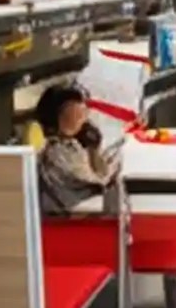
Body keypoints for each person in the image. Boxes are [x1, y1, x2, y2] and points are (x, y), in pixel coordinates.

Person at [33, 85, 119, 215]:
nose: (83, 120)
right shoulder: (57, 152)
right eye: (76, 115)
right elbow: (99, 181)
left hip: (82, 208)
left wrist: (93, 149)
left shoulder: (73, 146)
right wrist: (113, 167)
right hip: (68, 218)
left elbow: (99, 173)